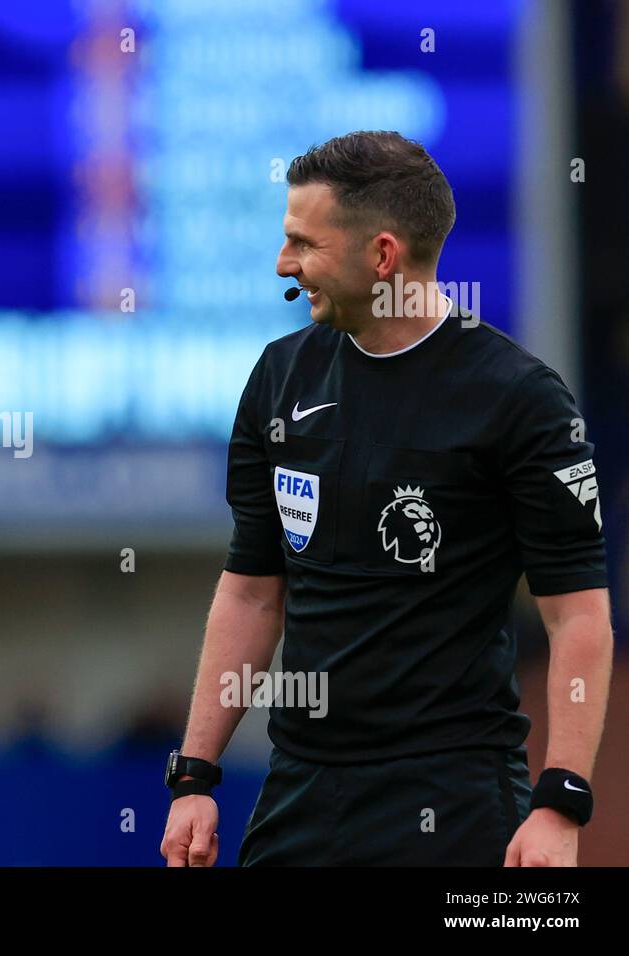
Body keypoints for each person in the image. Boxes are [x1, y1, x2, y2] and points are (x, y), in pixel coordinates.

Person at [160, 131, 611, 866]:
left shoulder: (519, 400)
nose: (284, 265)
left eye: (304, 244)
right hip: (302, 792)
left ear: (382, 256)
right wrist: (195, 776)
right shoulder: (280, 379)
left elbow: (578, 616)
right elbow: (250, 594)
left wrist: (561, 802)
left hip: (455, 795)